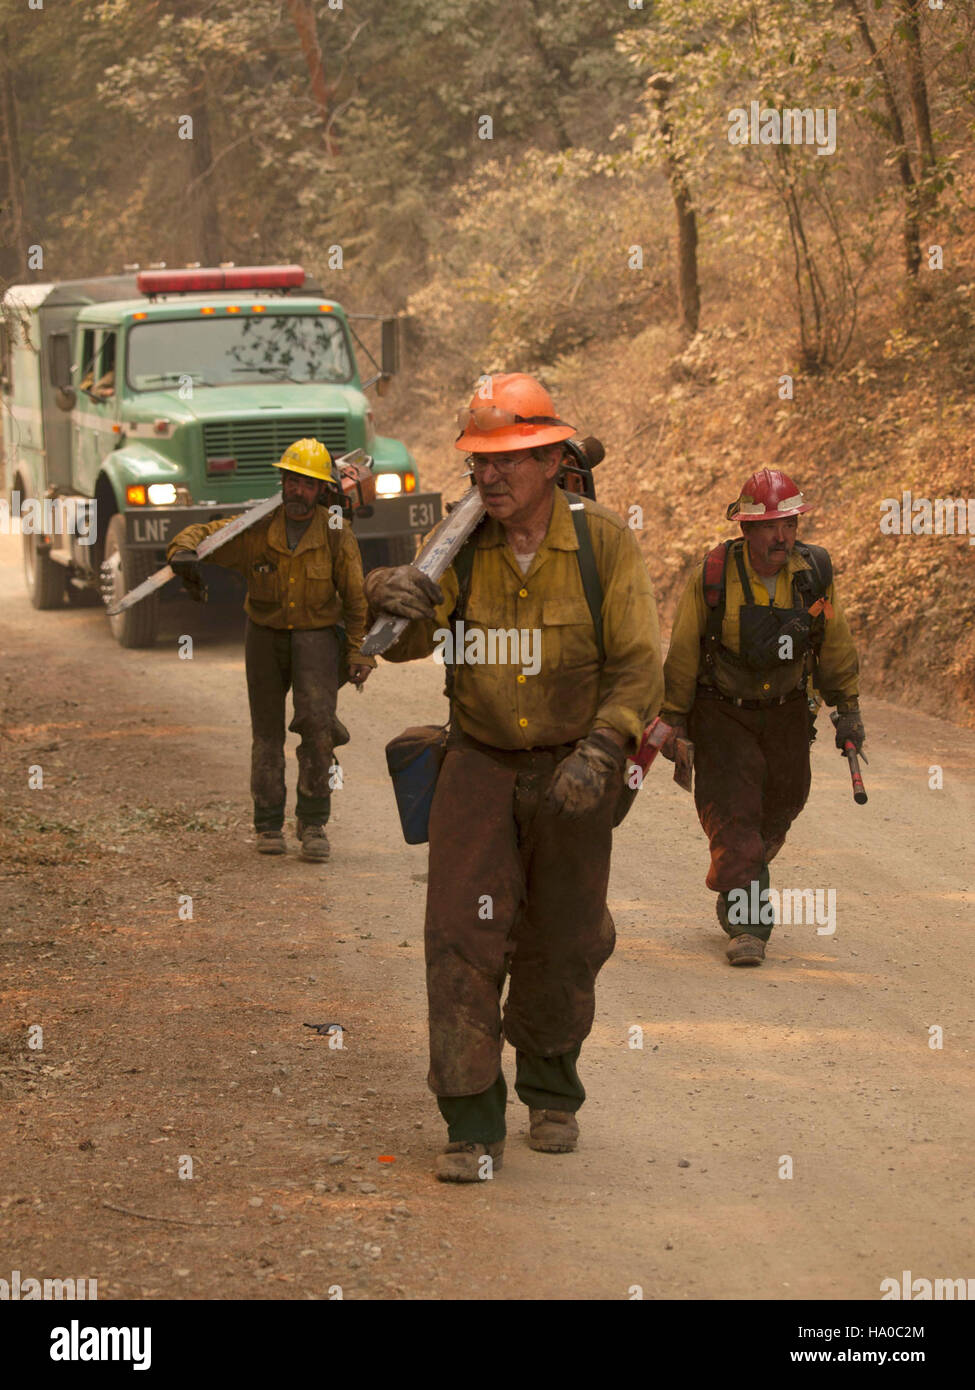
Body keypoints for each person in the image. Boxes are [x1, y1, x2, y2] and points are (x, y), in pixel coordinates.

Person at [363, 374, 663, 1181]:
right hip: (479, 765)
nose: (486, 478)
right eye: (478, 463)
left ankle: (550, 1089)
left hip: (576, 765)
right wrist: (384, 596)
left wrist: (603, 748)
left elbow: (638, 662)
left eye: (505, 462)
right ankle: (470, 1125)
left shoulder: (601, 544)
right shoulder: (459, 542)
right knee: (460, 937)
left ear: (550, 459)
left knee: (563, 937)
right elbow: (405, 643)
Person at [660, 468, 863, 966]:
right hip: (723, 711)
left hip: (789, 709)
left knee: (786, 799)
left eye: (789, 524)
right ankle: (748, 921)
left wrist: (849, 708)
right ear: (745, 530)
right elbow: (684, 650)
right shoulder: (711, 577)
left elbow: (832, 641)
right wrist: (672, 719)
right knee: (735, 813)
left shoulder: (813, 574)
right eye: (770, 526)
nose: (781, 536)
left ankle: (742, 865)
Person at [165, 438, 374, 861]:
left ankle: (313, 823)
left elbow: (355, 599)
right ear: (282, 481)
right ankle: (268, 825)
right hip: (265, 638)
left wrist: (359, 652)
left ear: (322, 491)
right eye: (292, 481)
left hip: (316, 639)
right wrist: (183, 551)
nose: (298, 491)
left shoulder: (336, 532)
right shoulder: (257, 529)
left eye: (308, 484)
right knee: (266, 736)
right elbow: (207, 533)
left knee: (317, 730)